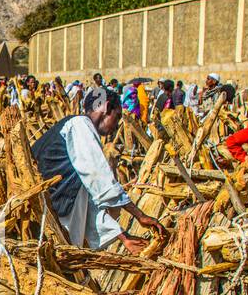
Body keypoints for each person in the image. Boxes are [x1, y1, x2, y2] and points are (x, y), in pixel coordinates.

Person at [31, 87, 168, 252]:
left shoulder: (75, 129)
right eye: (117, 117)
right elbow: (99, 178)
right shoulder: (79, 125)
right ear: (107, 107)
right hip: (47, 224)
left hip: (52, 225)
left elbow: (89, 202)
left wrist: (124, 238)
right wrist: (140, 215)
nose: (116, 125)